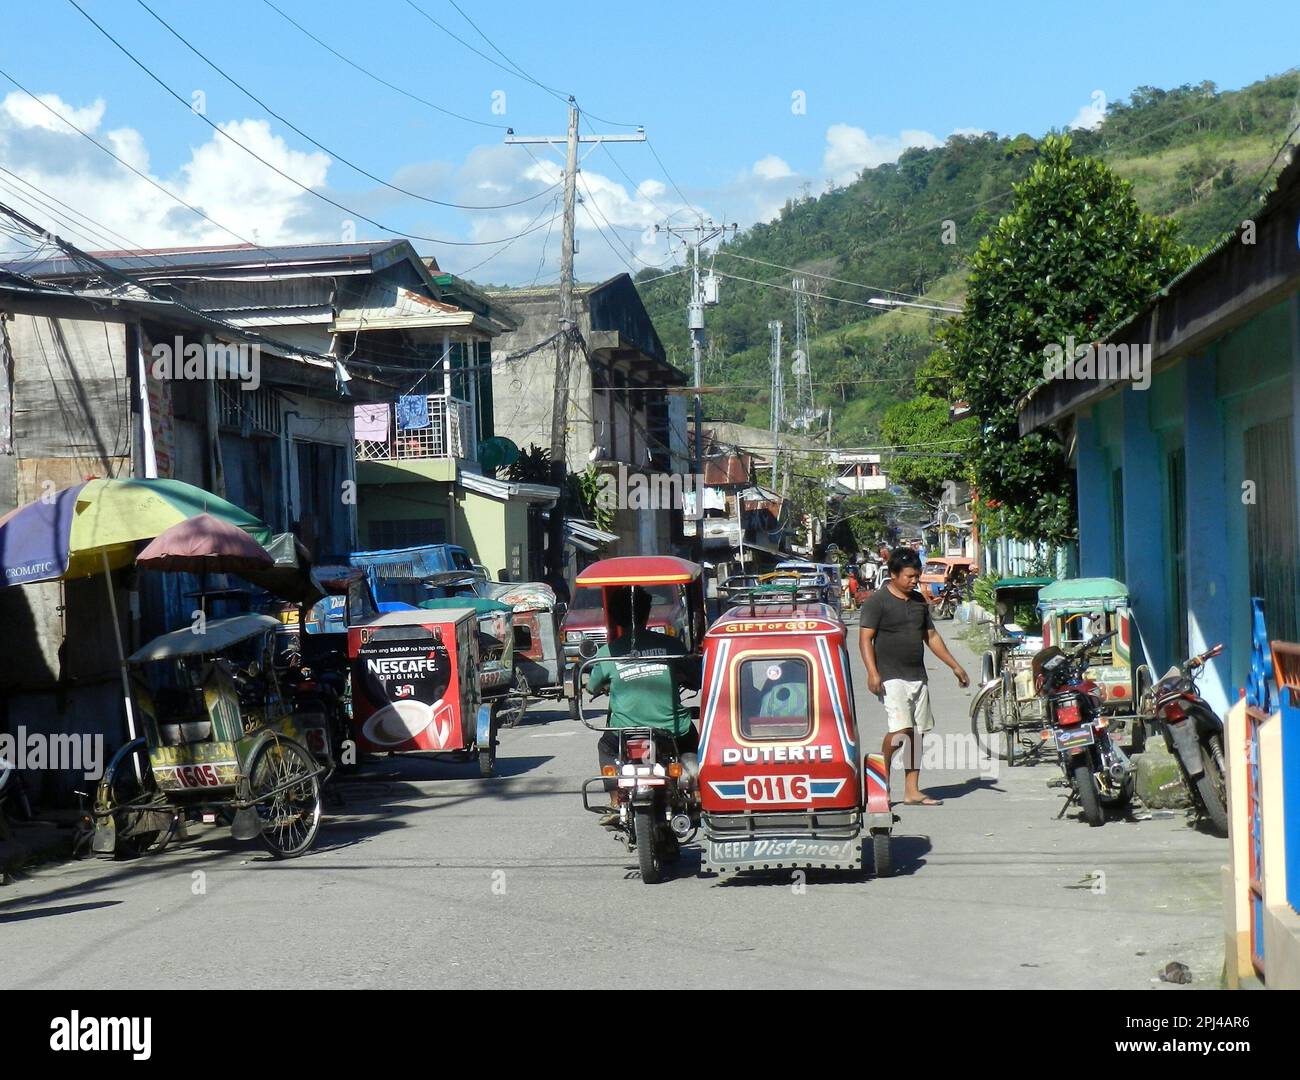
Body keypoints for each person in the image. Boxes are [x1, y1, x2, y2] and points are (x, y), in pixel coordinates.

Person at [858, 547, 969, 806]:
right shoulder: (877, 601)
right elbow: (865, 639)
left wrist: (955, 666)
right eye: (909, 576)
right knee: (901, 731)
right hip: (890, 676)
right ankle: (879, 780)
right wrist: (872, 673)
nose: (913, 581)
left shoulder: (919, 601)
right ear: (893, 574)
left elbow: (931, 637)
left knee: (917, 735)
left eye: (916, 576)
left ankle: (911, 791)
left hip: (917, 675)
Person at [587, 586, 701, 824]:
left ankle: (615, 800)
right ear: (647, 613)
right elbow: (696, 676)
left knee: (605, 748)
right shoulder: (671, 646)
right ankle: (697, 793)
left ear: (616, 618)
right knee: (692, 739)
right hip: (671, 730)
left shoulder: (608, 653)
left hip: (625, 732)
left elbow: (591, 687)